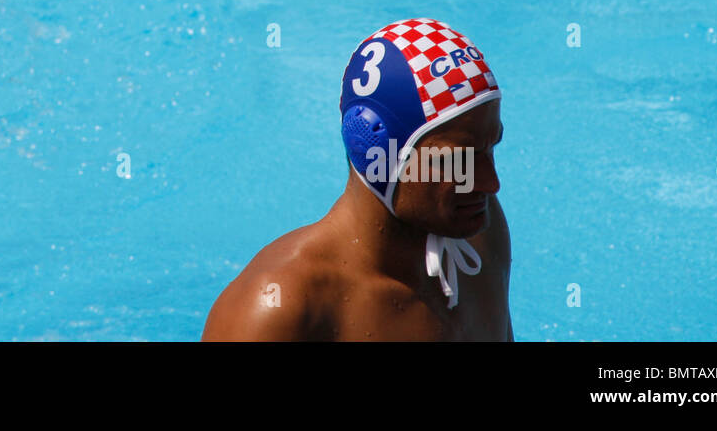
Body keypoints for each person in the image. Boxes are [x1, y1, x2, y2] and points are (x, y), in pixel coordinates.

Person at [203, 18, 512, 340]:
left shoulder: (478, 232)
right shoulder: (280, 311)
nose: (490, 183)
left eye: (490, 149)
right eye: (456, 160)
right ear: (375, 152)